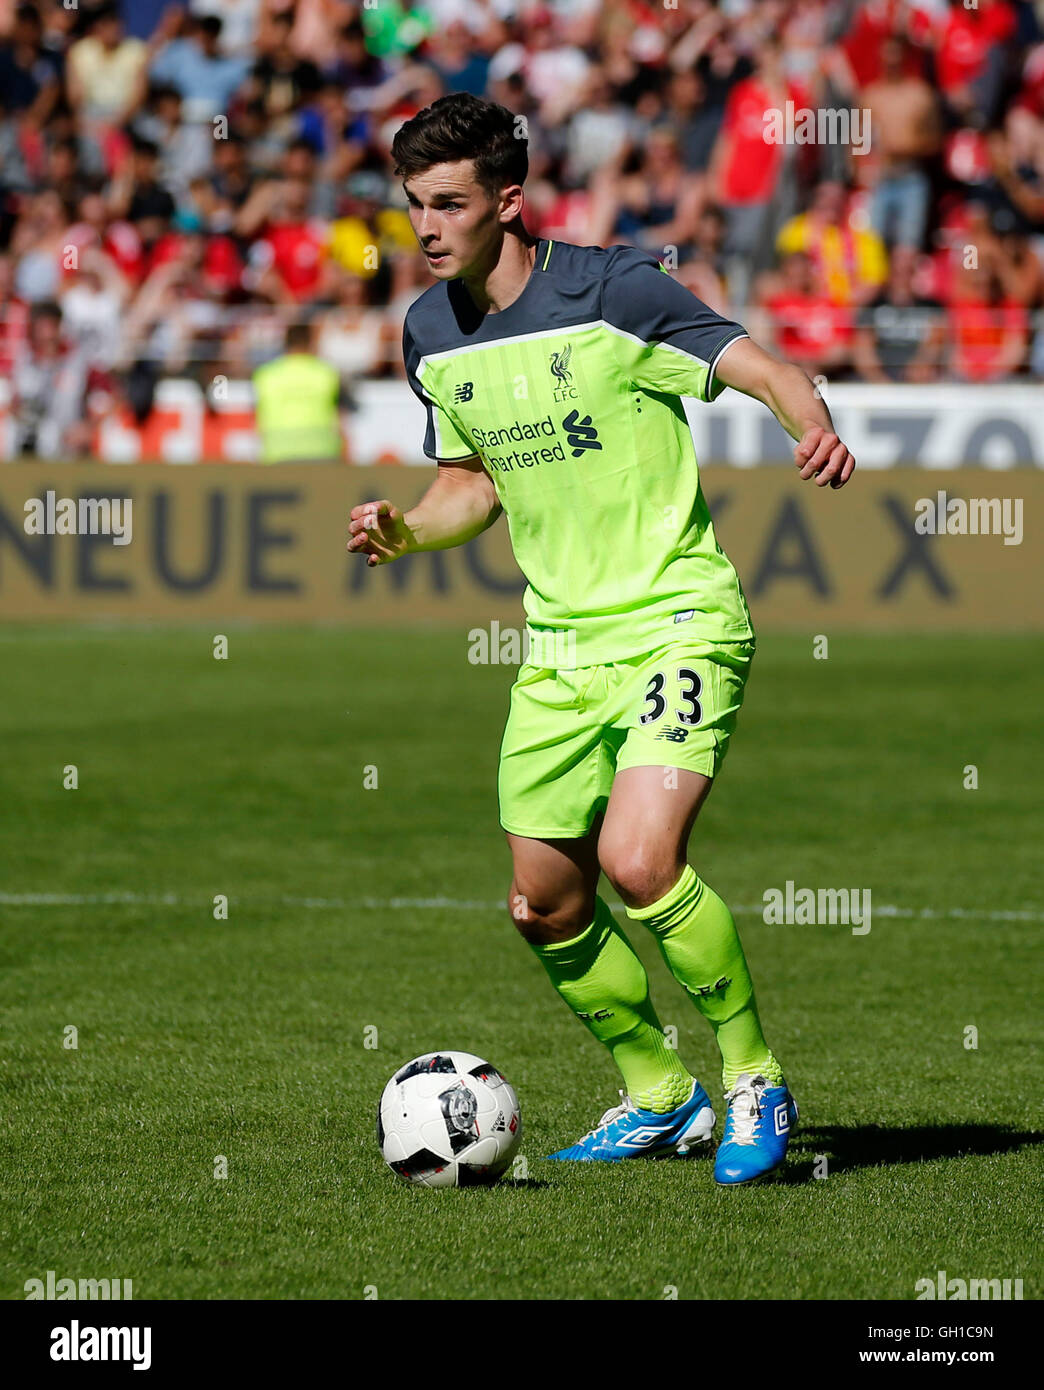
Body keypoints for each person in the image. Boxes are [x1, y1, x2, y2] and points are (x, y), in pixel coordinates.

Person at [348, 94, 856, 1186]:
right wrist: (405, 529)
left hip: (678, 616)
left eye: (448, 204)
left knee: (638, 860)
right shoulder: (431, 331)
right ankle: (660, 1094)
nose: (426, 227)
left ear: (509, 202)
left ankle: (755, 1078)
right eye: (414, 206)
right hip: (560, 650)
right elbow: (465, 486)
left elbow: (760, 364)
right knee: (544, 901)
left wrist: (806, 422)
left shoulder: (615, 289)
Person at [252, 320, 347, 462]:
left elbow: (256, 418)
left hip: (277, 453)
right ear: (311, 343)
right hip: (321, 452)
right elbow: (341, 418)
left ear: (285, 343)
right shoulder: (327, 373)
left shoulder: (265, 374)